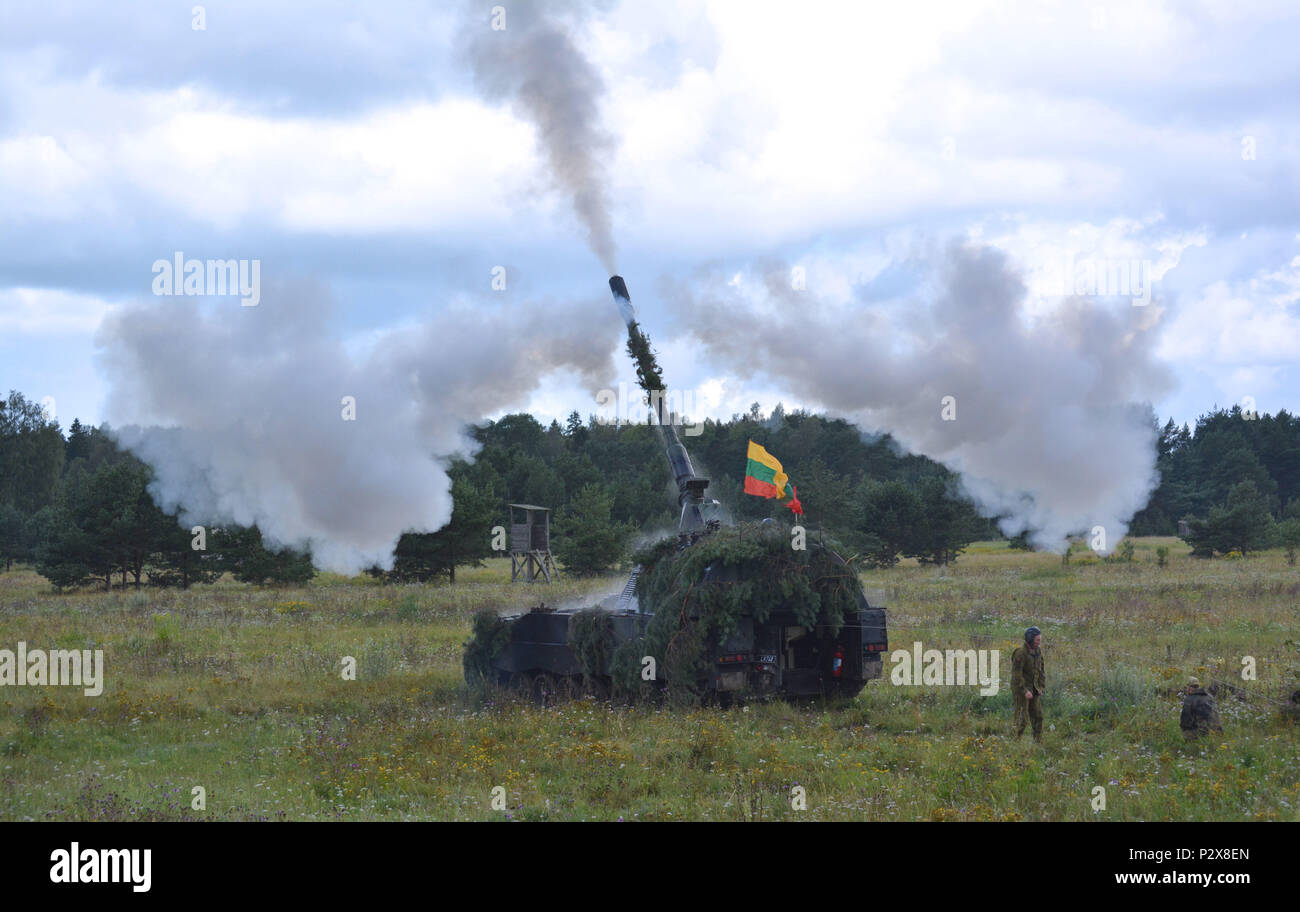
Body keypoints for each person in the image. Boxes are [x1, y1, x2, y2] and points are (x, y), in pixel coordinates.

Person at [1011, 626, 1045, 742]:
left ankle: (1038, 742)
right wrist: (1024, 691)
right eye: (1037, 640)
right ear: (1030, 639)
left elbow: (1041, 669)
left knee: (1038, 716)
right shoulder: (1020, 653)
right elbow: (1016, 675)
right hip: (1021, 689)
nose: (1039, 643)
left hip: (1034, 688)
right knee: (1022, 719)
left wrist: (1041, 686)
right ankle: (1015, 742)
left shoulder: (1038, 651)